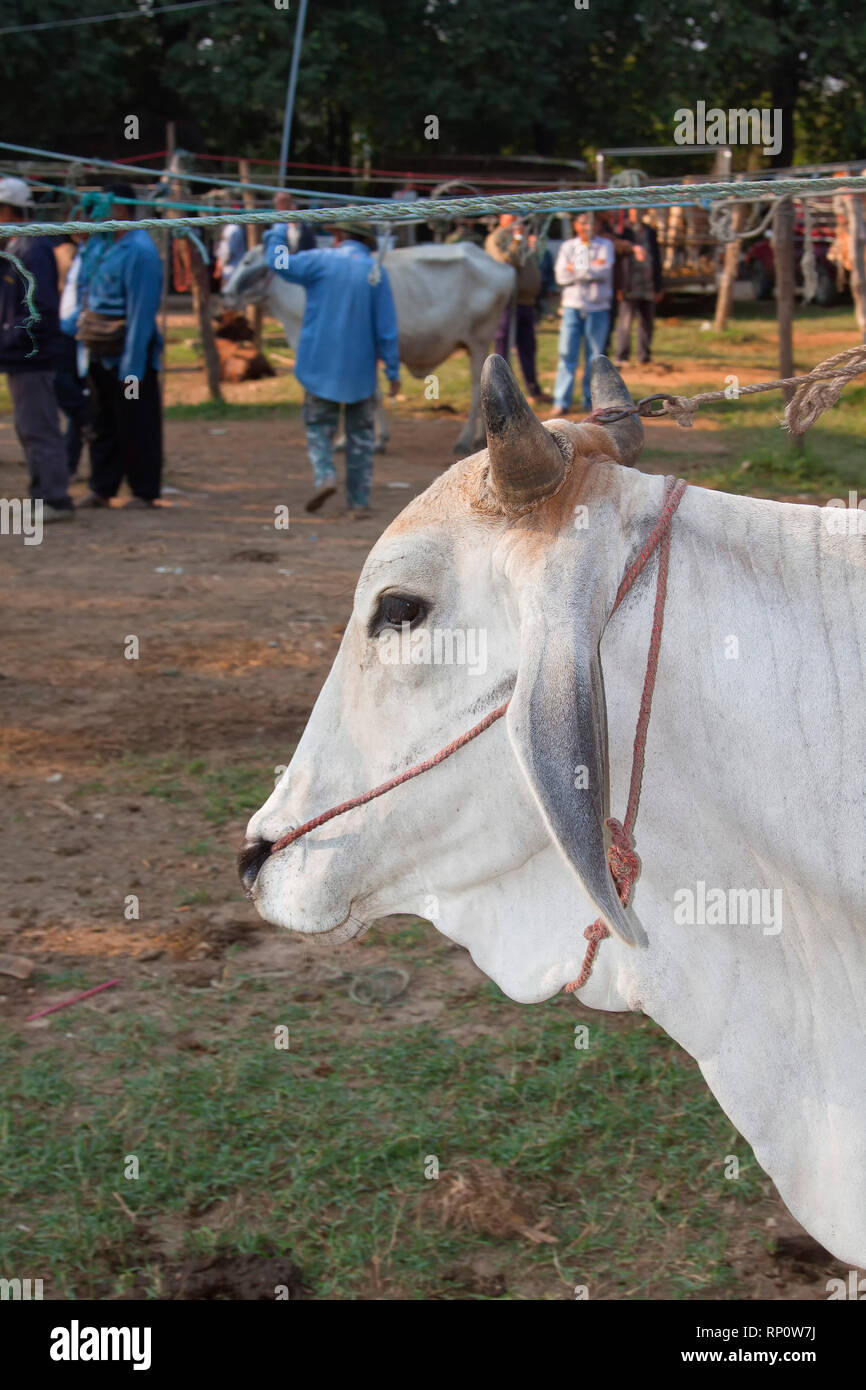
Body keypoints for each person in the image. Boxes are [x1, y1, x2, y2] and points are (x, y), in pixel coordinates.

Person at [262, 219, 400, 518]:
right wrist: (392, 371)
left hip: (318, 364)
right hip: (360, 370)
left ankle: (325, 473)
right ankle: (359, 501)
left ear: (337, 235)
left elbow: (277, 261)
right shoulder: (375, 272)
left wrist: (278, 229)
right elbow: (386, 327)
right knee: (360, 437)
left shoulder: (318, 261)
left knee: (318, 429)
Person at [76, 183, 163, 510]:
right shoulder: (100, 244)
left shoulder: (141, 251)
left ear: (122, 209)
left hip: (129, 353)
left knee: (136, 421)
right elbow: (85, 288)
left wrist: (133, 368)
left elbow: (142, 312)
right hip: (97, 349)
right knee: (101, 421)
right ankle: (102, 487)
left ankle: (144, 491)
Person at [0, 176, 74, 519]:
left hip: (32, 356)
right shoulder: (15, 248)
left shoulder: (31, 249)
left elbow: (39, 308)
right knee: (29, 427)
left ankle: (54, 498)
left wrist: (13, 341)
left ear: (10, 211)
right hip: (19, 355)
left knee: (40, 427)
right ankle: (41, 493)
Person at [551, 212, 615, 417]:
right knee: (566, 354)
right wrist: (590, 269)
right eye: (583, 223)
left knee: (595, 356)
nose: (587, 227)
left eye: (592, 223)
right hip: (572, 305)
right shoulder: (568, 246)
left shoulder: (605, 245)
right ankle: (562, 401)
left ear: (597, 226)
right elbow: (561, 276)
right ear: (576, 225)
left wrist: (576, 269)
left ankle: (592, 399)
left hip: (598, 307)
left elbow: (604, 271)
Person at [485, 215, 551, 405]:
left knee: (528, 348)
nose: (517, 220)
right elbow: (506, 262)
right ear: (501, 218)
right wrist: (517, 240)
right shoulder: (496, 239)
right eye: (511, 216)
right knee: (503, 348)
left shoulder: (518, 236)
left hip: (526, 302)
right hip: (508, 302)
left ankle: (533, 389)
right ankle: (501, 393)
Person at [615, 207, 663, 365]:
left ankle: (644, 356)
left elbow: (657, 260)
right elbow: (618, 261)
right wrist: (620, 286)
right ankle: (622, 356)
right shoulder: (623, 232)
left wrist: (658, 286)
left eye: (640, 210)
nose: (637, 213)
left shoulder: (650, 232)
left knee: (647, 323)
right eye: (634, 210)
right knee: (625, 323)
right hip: (629, 286)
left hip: (648, 286)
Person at [214, 214, 247, 292]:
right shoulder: (237, 229)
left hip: (230, 269)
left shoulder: (231, 230)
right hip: (236, 267)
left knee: (229, 294)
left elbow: (227, 252)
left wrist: (220, 265)